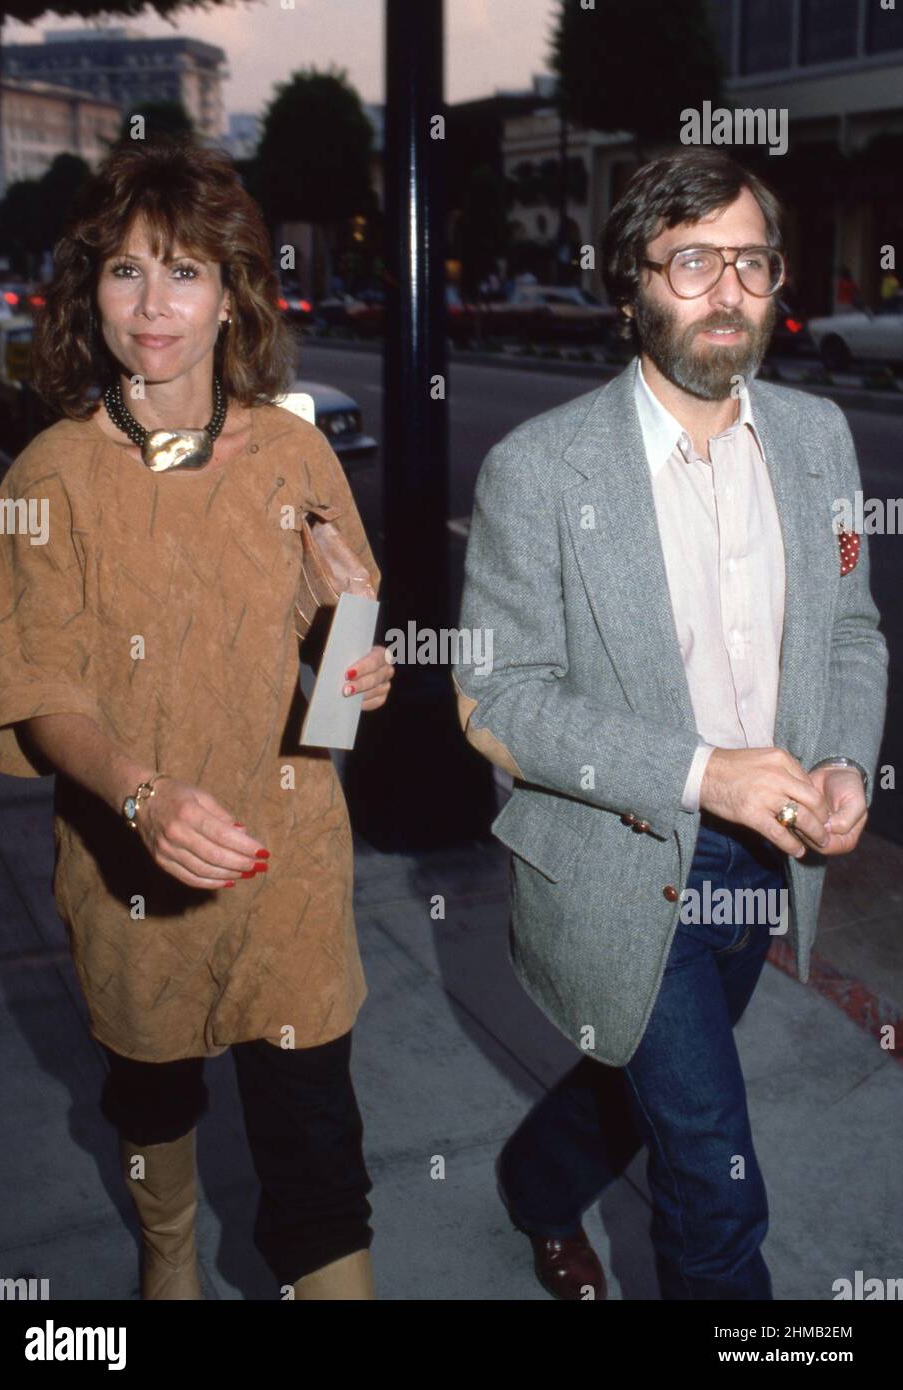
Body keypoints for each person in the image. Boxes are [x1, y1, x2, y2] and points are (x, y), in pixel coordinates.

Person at [451, 148, 888, 1300]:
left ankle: (537, 1183)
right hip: (622, 862)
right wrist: (705, 773)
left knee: (637, 1084)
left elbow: (849, 632)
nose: (727, 288)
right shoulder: (537, 471)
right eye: (691, 260)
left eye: (749, 259)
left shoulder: (818, 440)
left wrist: (841, 758)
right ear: (631, 284)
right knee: (714, 1174)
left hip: (763, 864)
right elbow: (498, 698)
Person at [0, 136, 395, 1301]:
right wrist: (141, 797)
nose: (154, 303)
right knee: (149, 1091)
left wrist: (358, 664)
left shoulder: (298, 452)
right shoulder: (47, 480)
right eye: (125, 270)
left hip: (290, 871)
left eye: (186, 271)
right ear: (90, 293)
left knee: (317, 1159)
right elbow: (34, 686)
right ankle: (167, 1252)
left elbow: (344, 677)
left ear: (232, 298)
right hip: (131, 874)